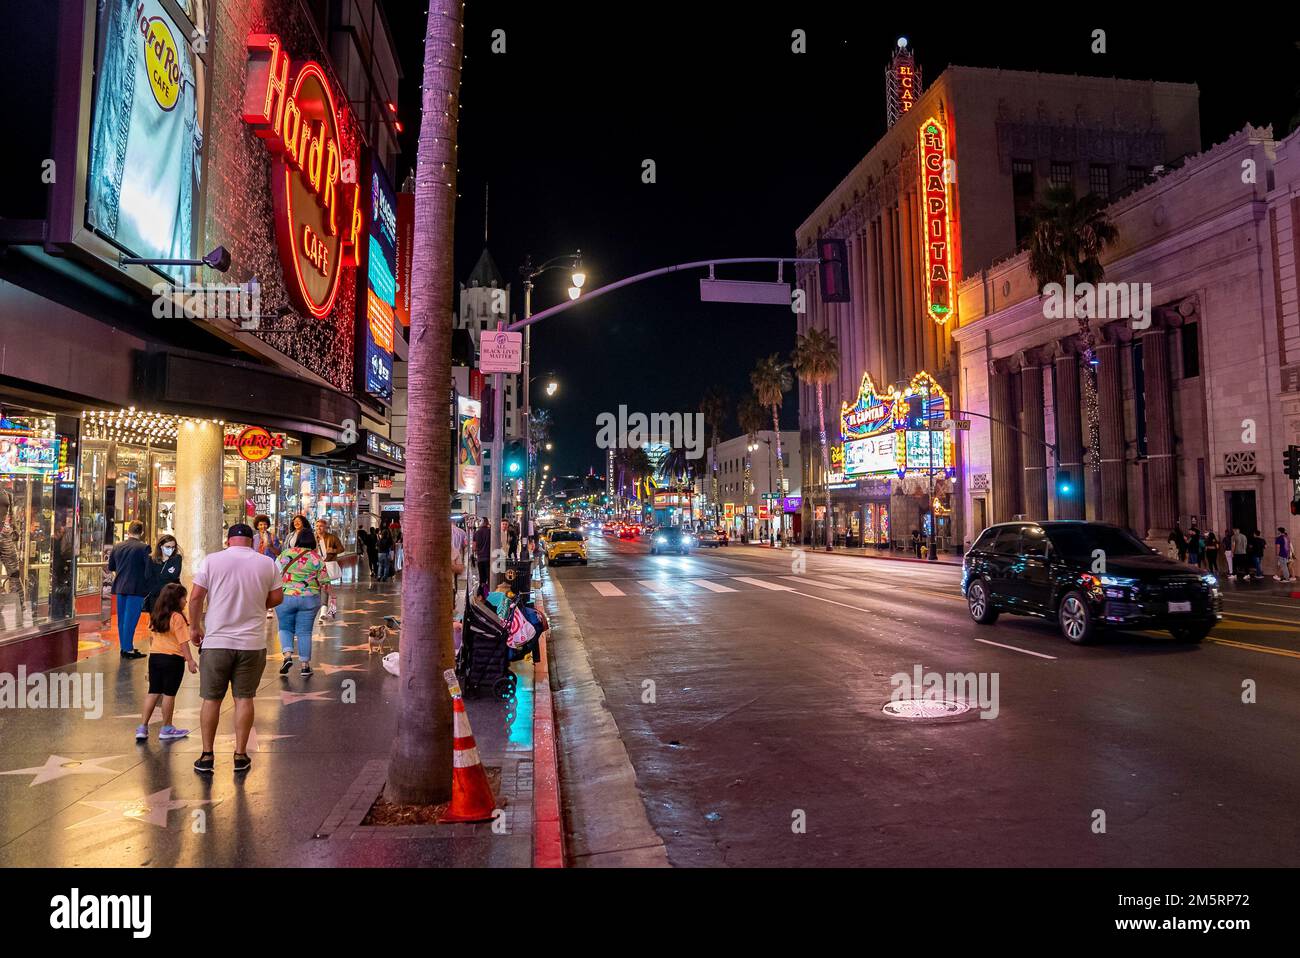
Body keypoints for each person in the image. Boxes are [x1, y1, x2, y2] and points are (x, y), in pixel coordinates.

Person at [189, 523, 283, 775]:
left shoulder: (212, 561)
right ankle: (240, 755)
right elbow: (277, 598)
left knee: (211, 700)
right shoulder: (266, 563)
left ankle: (207, 756)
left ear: (228, 540)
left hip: (217, 643)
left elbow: (196, 596)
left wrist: (195, 627)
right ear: (252, 541)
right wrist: (257, 603)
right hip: (252, 644)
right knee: (244, 699)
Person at [136, 582, 197, 742]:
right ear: (176, 600)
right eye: (183, 598)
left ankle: (142, 727)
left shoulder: (156, 616)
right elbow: (183, 642)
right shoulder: (178, 618)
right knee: (169, 694)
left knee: (153, 691)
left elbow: (151, 638)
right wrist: (190, 660)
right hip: (173, 659)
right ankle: (167, 727)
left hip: (155, 657)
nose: (185, 601)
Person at [276, 527, 328, 677]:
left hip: (285, 597)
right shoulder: (316, 558)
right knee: (305, 632)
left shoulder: (285, 554)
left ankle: (287, 656)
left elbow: (273, 573)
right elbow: (324, 581)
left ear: (297, 540)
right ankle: (305, 666)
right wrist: (333, 597)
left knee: (285, 628)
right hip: (309, 598)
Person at [107, 520, 152, 659]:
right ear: (142, 532)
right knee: (131, 619)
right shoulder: (144, 548)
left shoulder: (118, 546)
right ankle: (127, 649)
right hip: (136, 587)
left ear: (128, 532)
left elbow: (111, 567)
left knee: (122, 619)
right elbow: (148, 570)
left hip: (120, 586)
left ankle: (125, 646)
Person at [145, 534, 183, 613]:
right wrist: (166, 575)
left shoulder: (176, 559)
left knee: (171, 623)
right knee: (157, 622)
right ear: (161, 546)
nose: (171, 549)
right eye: (168, 547)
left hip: (171, 597)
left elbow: (174, 576)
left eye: (173, 547)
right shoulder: (151, 559)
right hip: (155, 598)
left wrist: (159, 578)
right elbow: (148, 578)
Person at [314, 518, 344, 618]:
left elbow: (341, 549)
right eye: (317, 526)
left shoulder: (332, 537)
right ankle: (319, 609)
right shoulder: (313, 538)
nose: (319, 528)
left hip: (327, 565)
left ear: (325, 527)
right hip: (315, 566)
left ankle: (323, 611)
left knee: (324, 588)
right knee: (316, 588)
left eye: (321, 526)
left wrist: (333, 550)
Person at [473, 517, 491, 596]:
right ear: (487, 523)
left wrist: (477, 551)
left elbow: (474, 547)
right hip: (489, 559)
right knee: (489, 577)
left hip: (480, 558)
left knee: (482, 578)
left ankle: (481, 594)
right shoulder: (490, 532)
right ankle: (489, 594)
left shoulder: (477, 533)